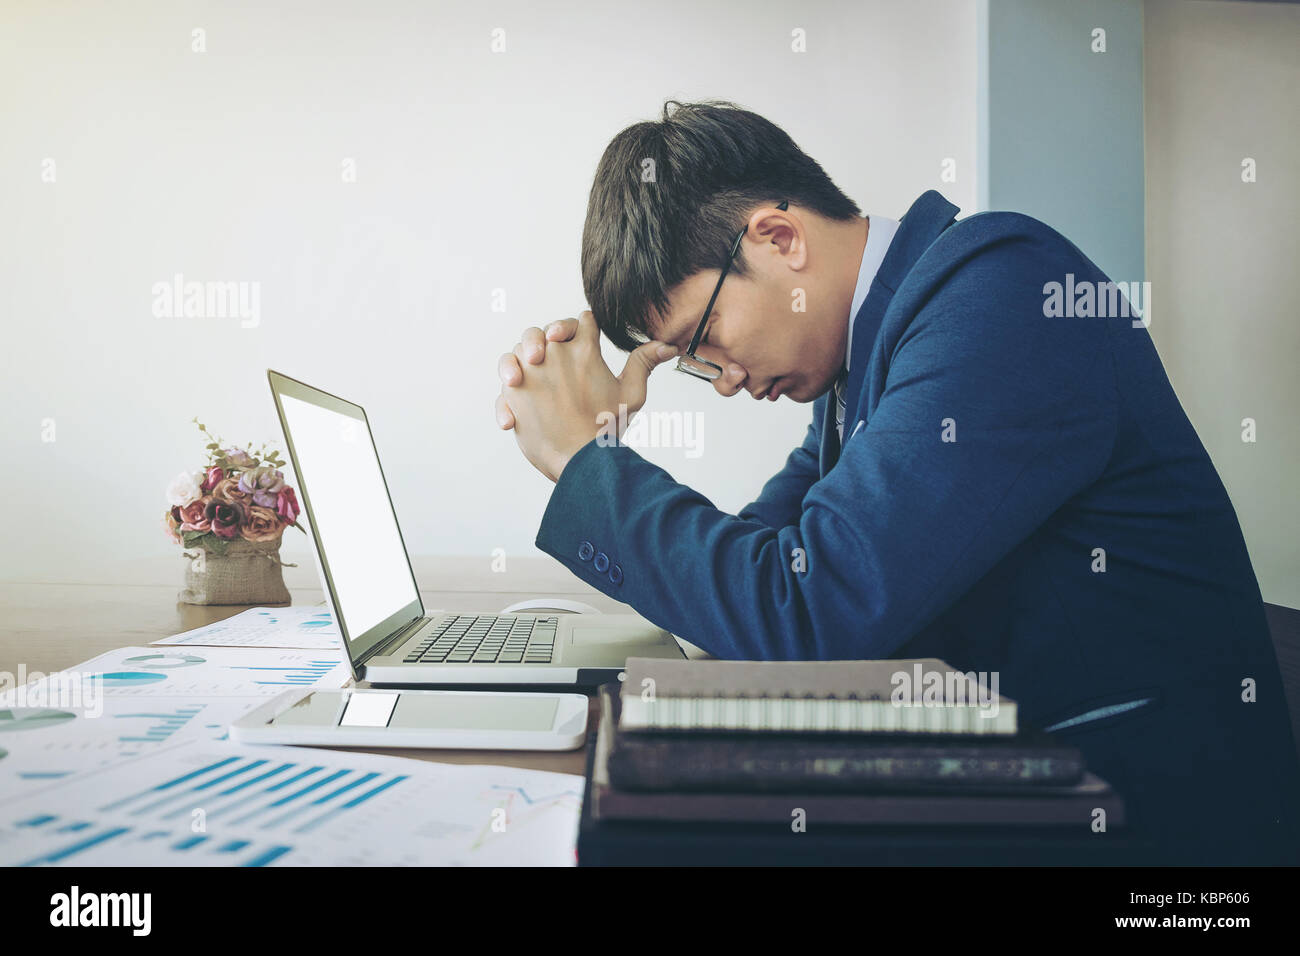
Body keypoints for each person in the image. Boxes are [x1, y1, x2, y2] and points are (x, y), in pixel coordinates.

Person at [494, 99, 1299, 863]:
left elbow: (807, 614)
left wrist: (583, 463)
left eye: (702, 341)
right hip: (1023, 783)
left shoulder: (1000, 297)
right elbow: (766, 579)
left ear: (778, 238)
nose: (726, 382)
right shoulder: (870, 357)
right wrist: (600, 454)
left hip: (1155, 833)